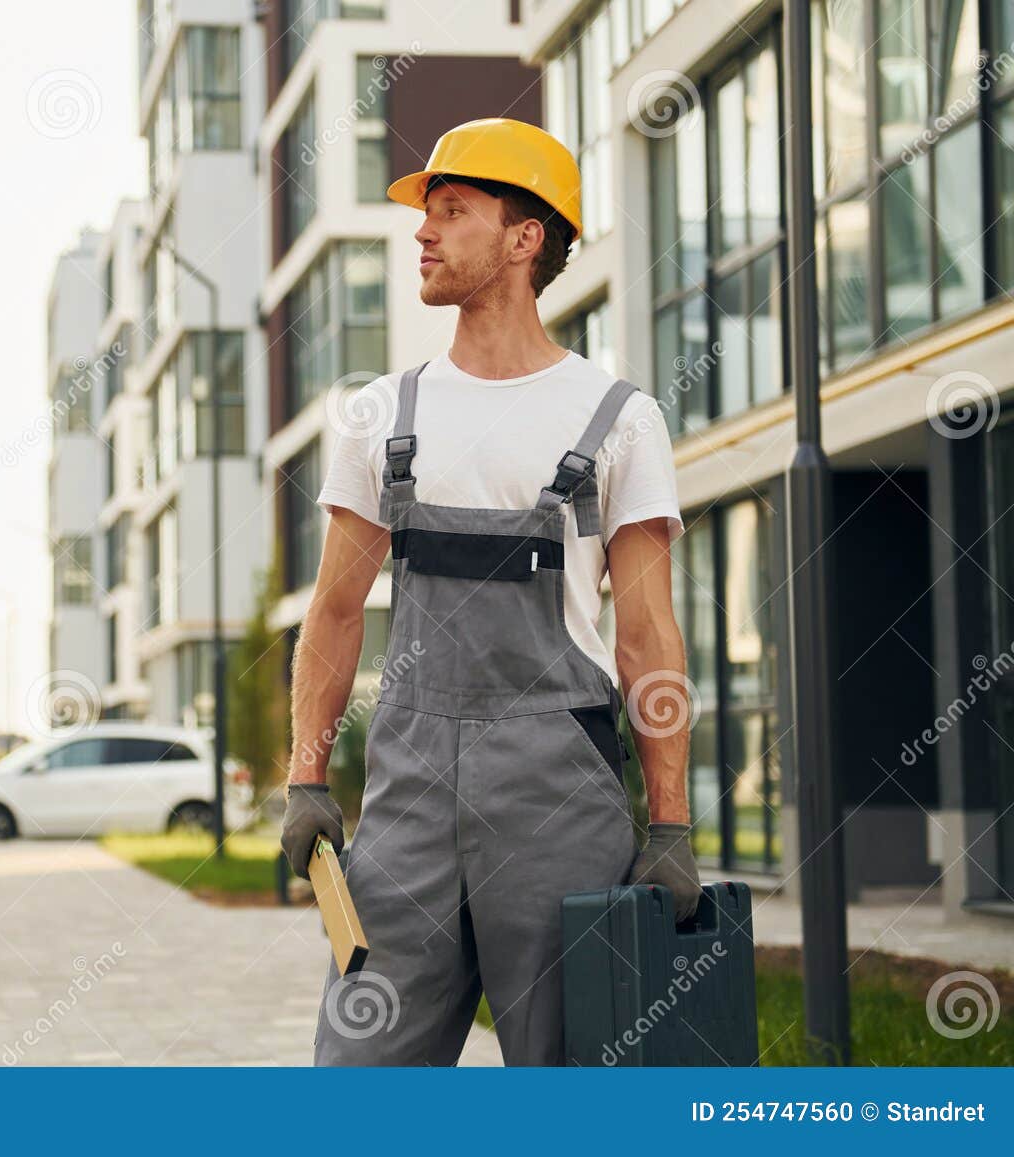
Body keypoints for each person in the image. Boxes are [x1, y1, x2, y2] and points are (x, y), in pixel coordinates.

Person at [281, 118, 700, 1067]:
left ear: (525, 239)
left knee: (570, 1078)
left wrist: (670, 820)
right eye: (425, 216)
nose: (423, 234)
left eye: (452, 212)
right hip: (408, 792)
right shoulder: (384, 414)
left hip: (560, 788)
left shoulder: (620, 420)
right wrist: (306, 776)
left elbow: (646, 634)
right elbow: (336, 612)